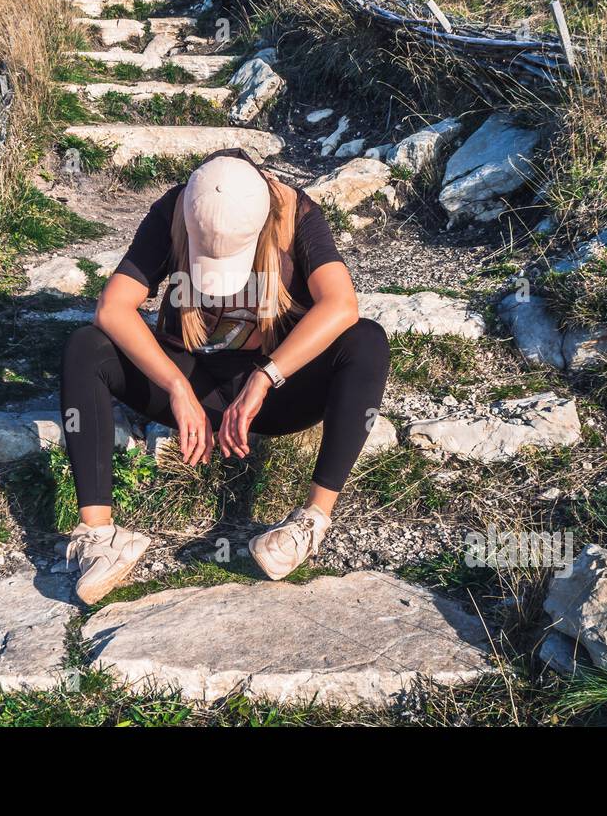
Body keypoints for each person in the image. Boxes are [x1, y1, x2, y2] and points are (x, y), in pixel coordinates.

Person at [57, 149, 390, 603]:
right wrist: (175, 386)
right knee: (84, 347)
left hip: (271, 396)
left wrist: (265, 377)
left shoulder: (296, 214)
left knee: (367, 340)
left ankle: (310, 522)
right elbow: (112, 307)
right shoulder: (175, 209)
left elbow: (342, 305)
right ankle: (99, 537)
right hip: (189, 381)